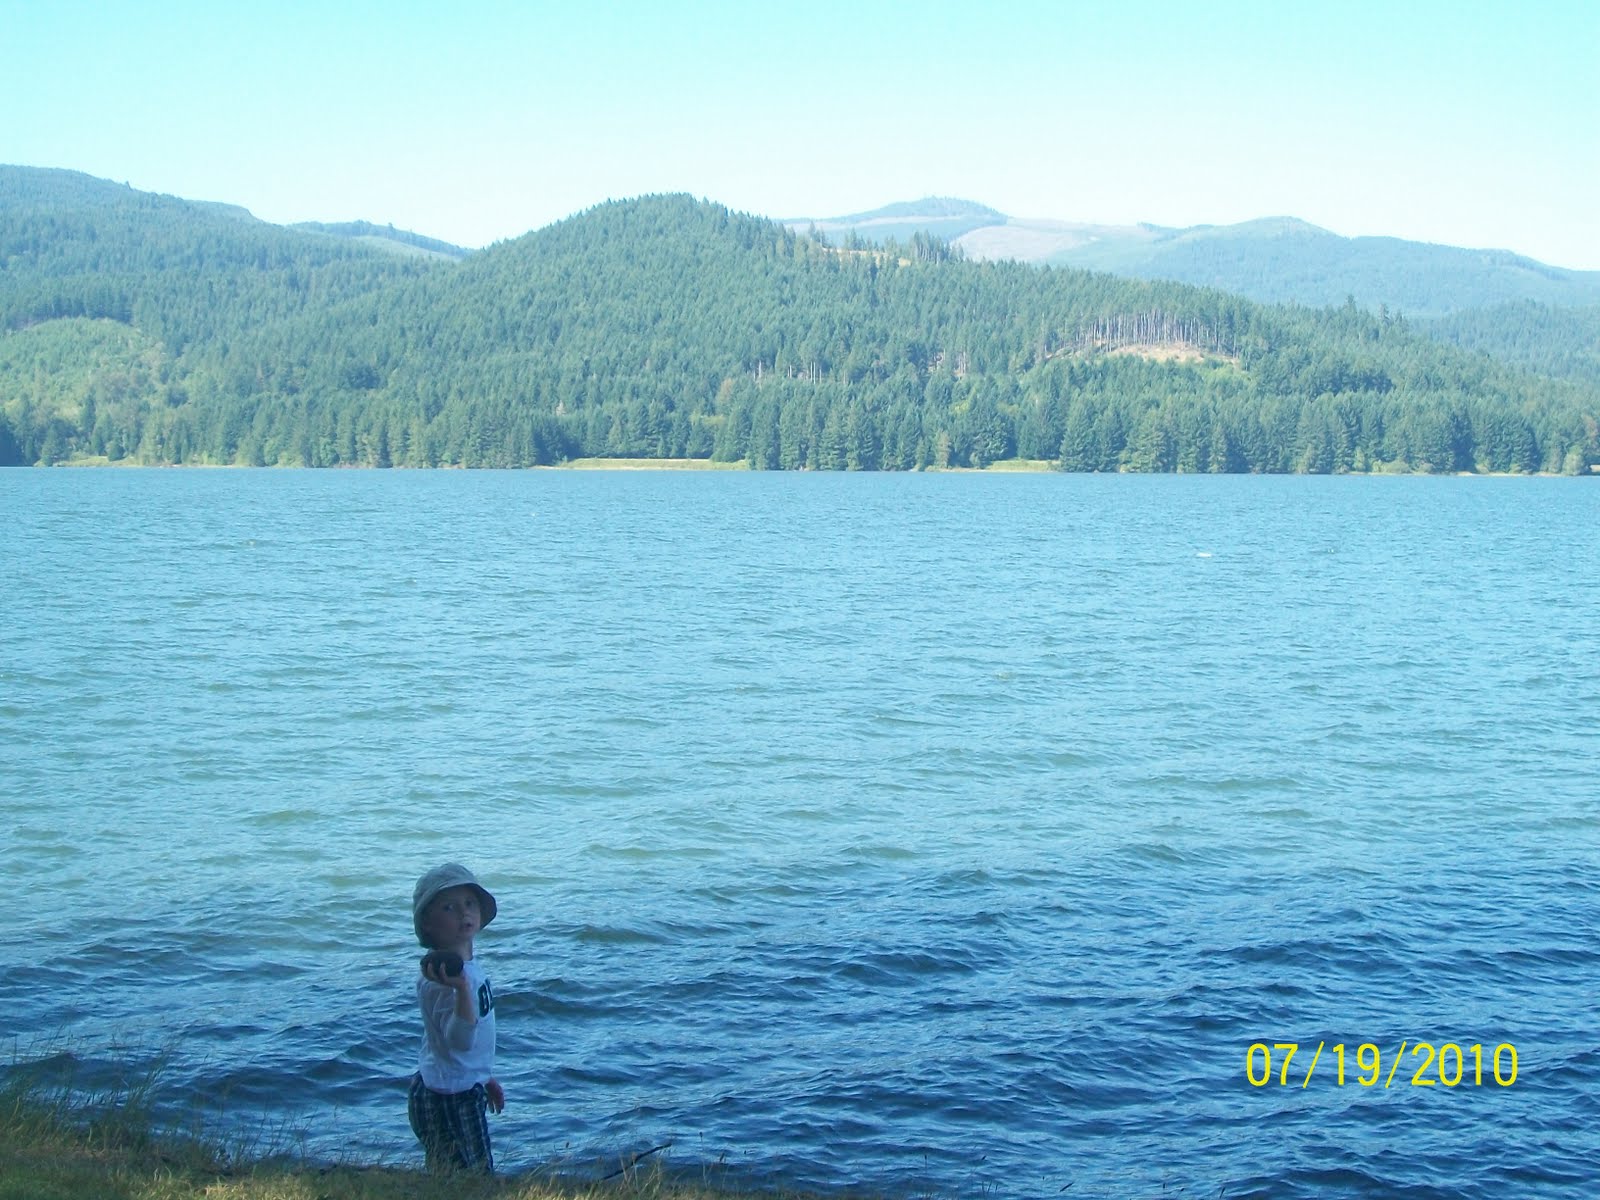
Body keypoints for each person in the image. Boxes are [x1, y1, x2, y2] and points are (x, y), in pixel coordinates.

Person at [407, 862, 504, 1172]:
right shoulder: (446, 982)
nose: (463, 913)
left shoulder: (467, 969)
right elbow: (459, 1040)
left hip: (453, 1081)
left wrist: (483, 1075)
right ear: (428, 924)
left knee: (448, 1172)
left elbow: (440, 1044)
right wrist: (461, 989)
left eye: (469, 903)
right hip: (451, 1096)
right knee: (473, 1176)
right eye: (449, 907)